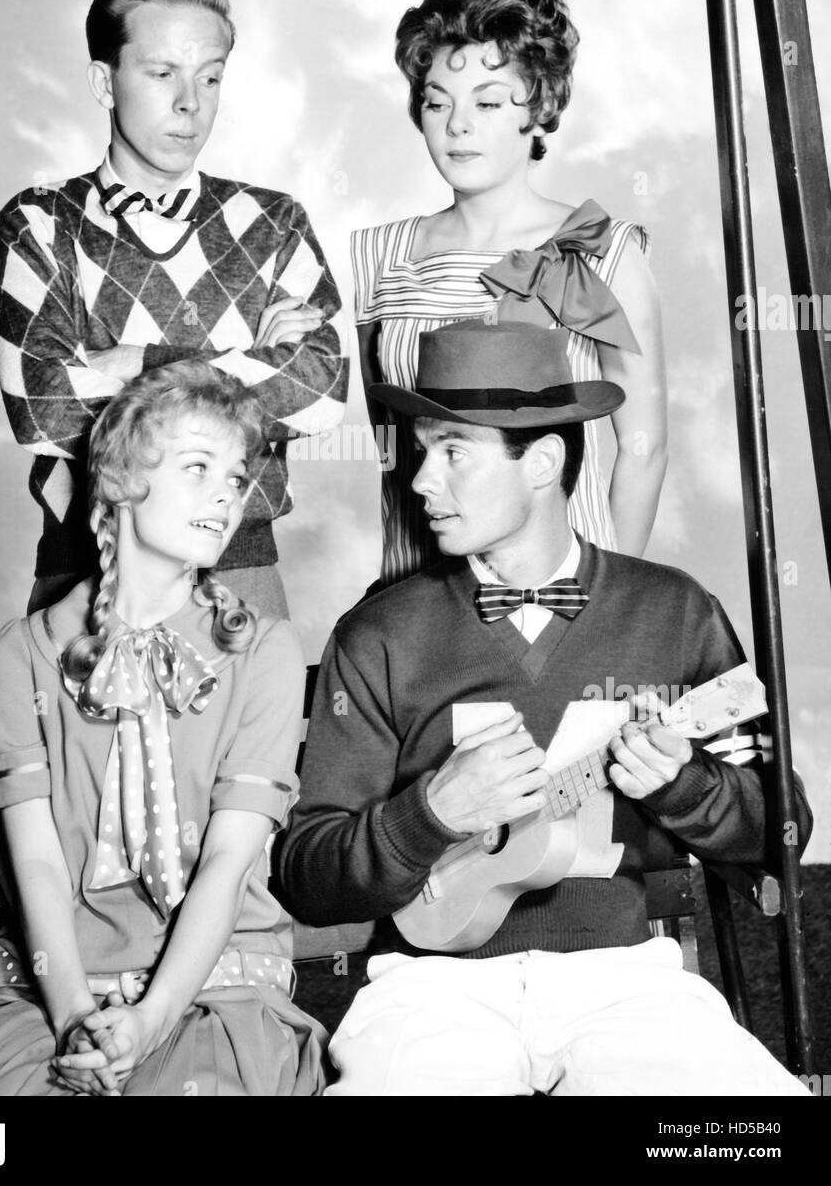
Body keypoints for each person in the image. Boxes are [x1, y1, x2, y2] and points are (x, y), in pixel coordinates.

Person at [275, 320, 810, 1096]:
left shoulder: (674, 611)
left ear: (545, 463)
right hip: (430, 989)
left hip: (624, 978)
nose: (422, 481)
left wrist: (685, 786)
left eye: (453, 452)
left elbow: (783, 833)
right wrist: (427, 814)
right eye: (422, 451)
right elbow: (306, 876)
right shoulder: (379, 633)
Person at [0, 363, 326, 1095]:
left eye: (236, 478)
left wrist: (150, 1020)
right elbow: (38, 862)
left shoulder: (265, 650)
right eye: (197, 466)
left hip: (217, 986)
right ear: (116, 480)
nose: (224, 494)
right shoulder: (23, 653)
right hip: (52, 989)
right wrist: (77, 1016)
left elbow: (227, 861)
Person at [0, 0, 348, 619]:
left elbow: (319, 393)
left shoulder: (274, 222)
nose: (190, 103)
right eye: (161, 74)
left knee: (255, 726)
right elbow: (42, 407)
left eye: (209, 78)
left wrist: (130, 363)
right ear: (105, 81)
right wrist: (239, 369)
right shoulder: (40, 220)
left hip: (240, 572)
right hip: (83, 573)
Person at [352, 0, 666, 587]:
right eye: (438, 102)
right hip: (420, 591)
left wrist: (607, 601)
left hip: (567, 586)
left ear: (540, 108)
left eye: (488, 103)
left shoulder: (602, 250)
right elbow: (396, 453)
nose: (457, 126)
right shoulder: (379, 254)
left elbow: (643, 447)